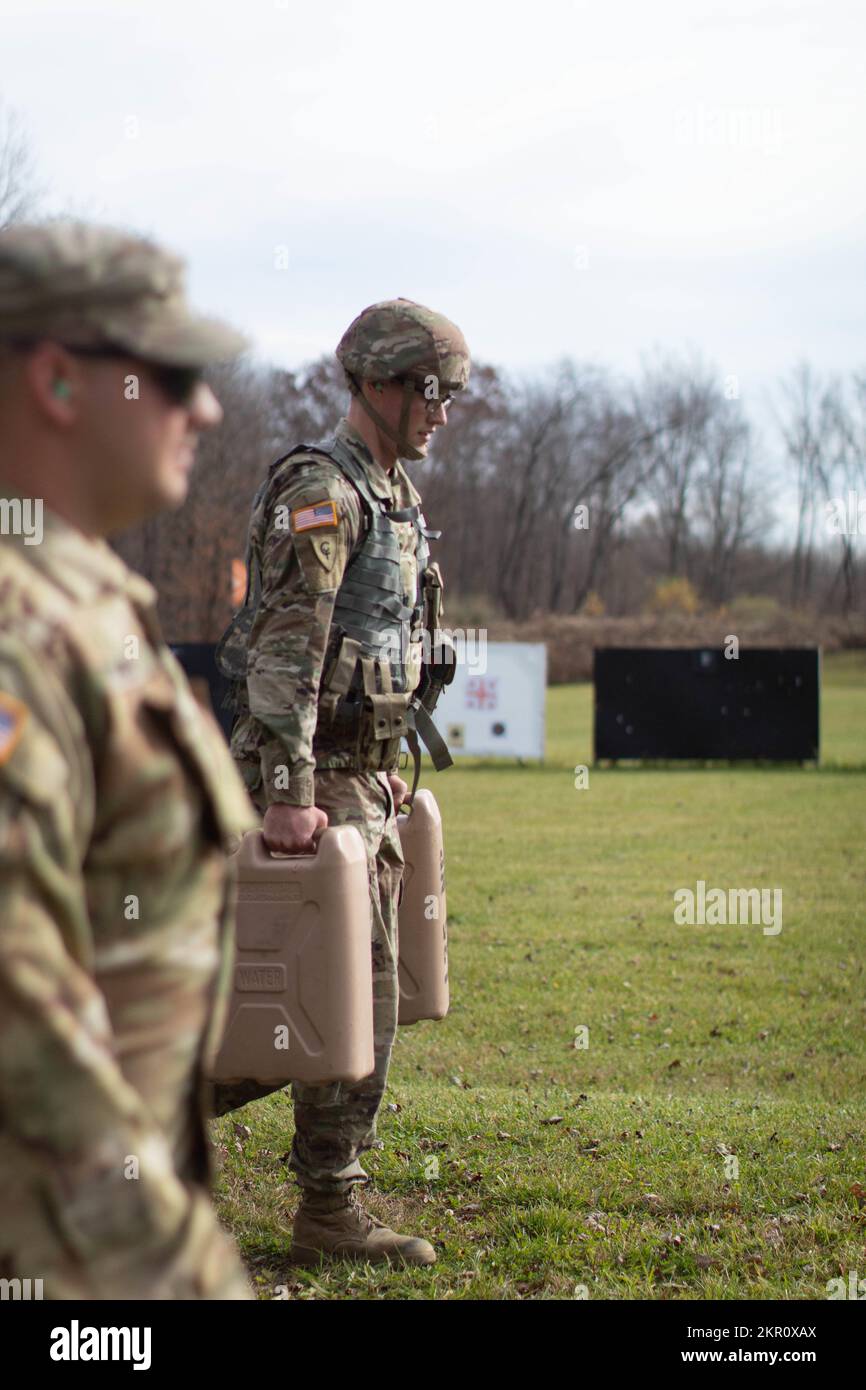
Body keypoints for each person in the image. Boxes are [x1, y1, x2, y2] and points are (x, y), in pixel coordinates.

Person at [0, 220, 258, 1300]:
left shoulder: (82, 599)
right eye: (173, 374)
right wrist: (177, 1275)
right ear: (60, 382)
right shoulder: (22, 626)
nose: (203, 407)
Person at [214, 298, 470, 1266]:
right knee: (310, 1001)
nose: (440, 410)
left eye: (446, 393)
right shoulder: (321, 489)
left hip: (362, 781)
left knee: (359, 997)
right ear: (379, 383)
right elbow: (289, 648)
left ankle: (327, 1199)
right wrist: (288, 789)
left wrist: (391, 767)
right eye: (430, 391)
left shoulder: (393, 493)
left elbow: (387, 650)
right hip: (311, 783)